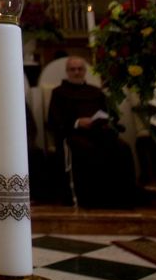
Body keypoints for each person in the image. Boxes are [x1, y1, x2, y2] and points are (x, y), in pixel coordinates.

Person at [45, 57, 138, 208]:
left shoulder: (96, 92)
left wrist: (105, 122)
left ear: (85, 71)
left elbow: (109, 114)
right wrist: (77, 122)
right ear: (67, 72)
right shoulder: (59, 93)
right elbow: (53, 120)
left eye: (80, 69)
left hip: (98, 133)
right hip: (73, 135)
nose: (76, 72)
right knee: (87, 150)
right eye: (73, 69)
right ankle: (91, 199)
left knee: (123, 148)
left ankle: (121, 198)